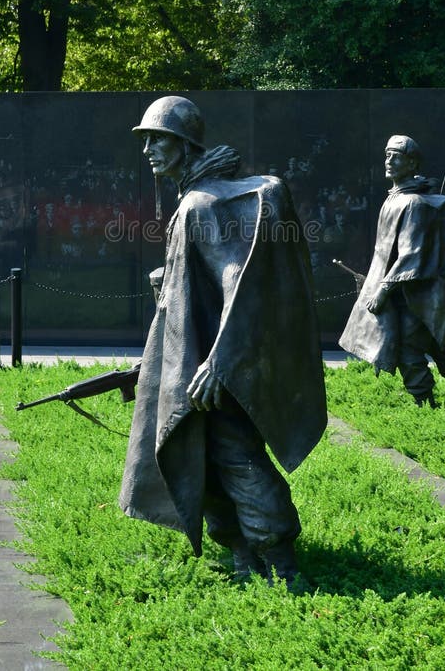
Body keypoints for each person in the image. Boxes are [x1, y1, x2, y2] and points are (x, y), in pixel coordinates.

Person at [119, 96, 327, 587]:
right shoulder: (198, 200)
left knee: (237, 461)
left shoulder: (202, 203)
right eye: (145, 139)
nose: (148, 149)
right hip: (198, 364)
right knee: (204, 461)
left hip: (215, 371)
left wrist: (219, 361)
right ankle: (241, 557)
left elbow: (242, 285)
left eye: (159, 139)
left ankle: (281, 564)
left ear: (186, 144)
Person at [339, 135, 445, 408]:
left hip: (417, 292)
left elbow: (411, 254)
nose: (389, 161)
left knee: (408, 347)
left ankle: (424, 403)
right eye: (387, 154)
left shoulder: (413, 203)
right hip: (405, 291)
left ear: (412, 163)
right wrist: (370, 281)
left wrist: (381, 290)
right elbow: (385, 254)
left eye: (397, 156)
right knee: (435, 341)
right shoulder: (395, 199)